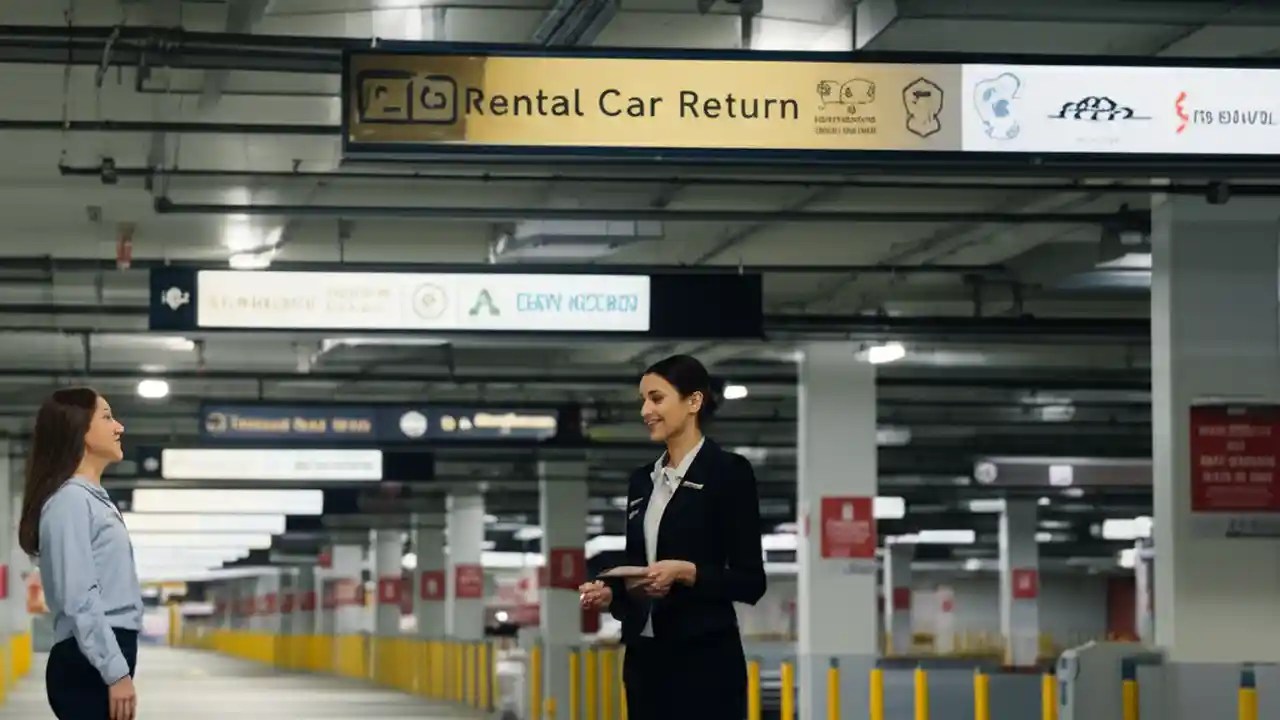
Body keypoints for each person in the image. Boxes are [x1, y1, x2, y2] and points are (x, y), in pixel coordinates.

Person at [578, 355, 766, 720]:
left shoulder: (729, 472)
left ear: (694, 402)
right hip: (645, 659)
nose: (646, 410)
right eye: (643, 400)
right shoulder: (641, 482)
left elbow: (750, 582)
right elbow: (640, 568)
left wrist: (686, 572)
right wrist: (612, 592)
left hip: (704, 660)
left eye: (657, 398)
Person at [18, 387, 142, 720]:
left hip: (101, 652)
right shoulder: (70, 501)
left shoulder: (91, 499)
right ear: (79, 431)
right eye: (107, 417)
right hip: (87, 661)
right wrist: (114, 671)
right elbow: (78, 597)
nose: (119, 427)